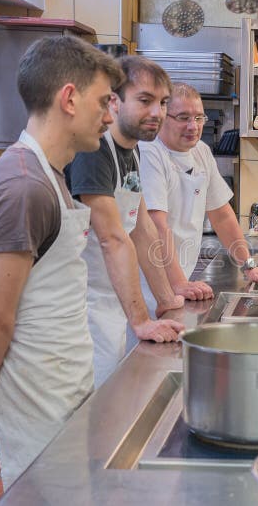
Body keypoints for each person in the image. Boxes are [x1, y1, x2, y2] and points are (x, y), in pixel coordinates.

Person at [0, 36, 125, 489]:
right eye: (103, 102)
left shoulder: (48, 176)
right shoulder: (24, 187)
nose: (108, 116)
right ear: (69, 98)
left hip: (57, 385)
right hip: (38, 395)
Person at [66, 56, 185, 387]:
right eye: (145, 101)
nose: (157, 113)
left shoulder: (130, 151)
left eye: (163, 103)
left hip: (112, 303)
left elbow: (142, 229)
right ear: (114, 101)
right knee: (97, 412)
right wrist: (142, 321)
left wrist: (167, 300)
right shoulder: (94, 151)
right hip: (83, 310)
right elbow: (112, 239)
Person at [138, 83, 258, 304]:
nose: (193, 126)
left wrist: (248, 265)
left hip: (179, 281)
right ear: (162, 116)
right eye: (183, 117)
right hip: (148, 286)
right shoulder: (149, 152)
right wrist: (179, 283)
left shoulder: (201, 151)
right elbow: (156, 227)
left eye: (199, 118)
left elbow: (221, 214)